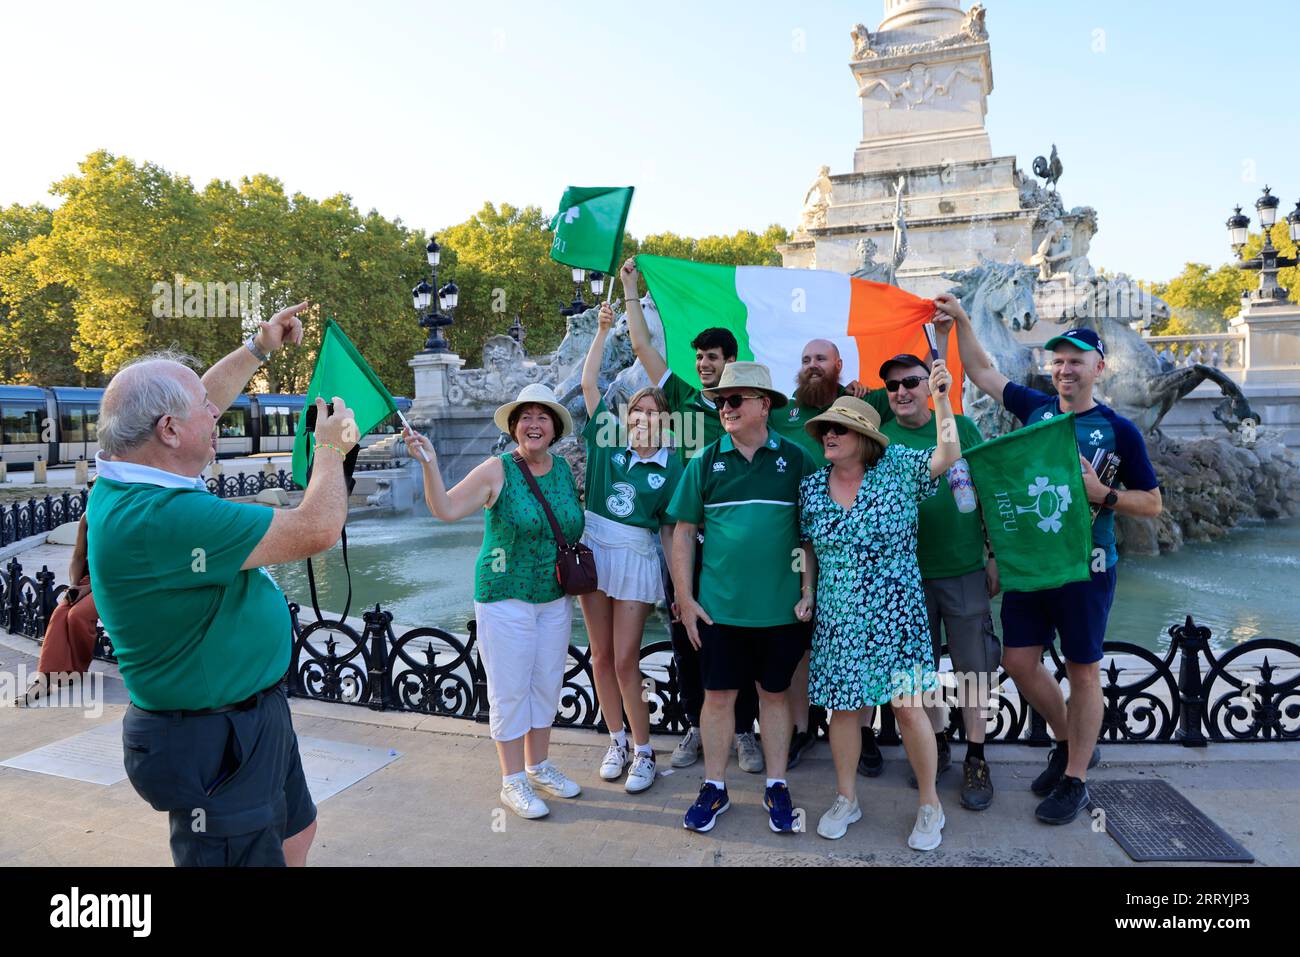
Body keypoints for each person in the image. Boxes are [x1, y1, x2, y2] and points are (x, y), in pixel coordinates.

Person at [87, 301, 334, 867]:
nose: (216, 413)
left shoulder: (139, 464)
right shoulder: (163, 516)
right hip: (211, 737)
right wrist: (330, 449)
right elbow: (317, 528)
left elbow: (199, 401)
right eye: (206, 412)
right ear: (169, 430)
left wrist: (259, 347)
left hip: (247, 713)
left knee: (296, 831)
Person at [941, 296, 1162, 824]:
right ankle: (1069, 743)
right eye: (1058, 360)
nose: (1065, 368)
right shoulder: (1036, 409)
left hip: (1086, 568)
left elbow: (1152, 504)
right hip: (1029, 566)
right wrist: (966, 320)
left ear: (1097, 368)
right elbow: (980, 371)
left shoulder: (1118, 430)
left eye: (1076, 360)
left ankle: (1076, 779)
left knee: (1083, 671)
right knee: (1017, 661)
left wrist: (1101, 493)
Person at [403, 382, 585, 821]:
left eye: (543, 416)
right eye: (526, 416)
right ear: (515, 426)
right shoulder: (496, 470)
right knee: (510, 690)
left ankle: (538, 766)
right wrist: (429, 464)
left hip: (553, 598)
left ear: (555, 428)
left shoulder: (563, 471)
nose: (534, 423)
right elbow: (445, 509)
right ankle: (512, 781)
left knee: (546, 684)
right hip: (505, 598)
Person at [799, 380, 961, 850]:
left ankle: (930, 805)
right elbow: (809, 546)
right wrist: (807, 590)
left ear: (865, 438)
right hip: (841, 619)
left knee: (909, 710)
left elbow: (948, 456)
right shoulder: (812, 487)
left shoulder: (899, 467)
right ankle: (847, 798)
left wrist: (944, 399)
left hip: (898, 615)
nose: (829, 435)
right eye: (826, 429)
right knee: (844, 711)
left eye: (840, 430)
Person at [619, 257, 763, 775]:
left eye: (712, 357)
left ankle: (743, 731)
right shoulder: (679, 395)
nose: (702, 364)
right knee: (685, 634)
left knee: (735, 634)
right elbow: (641, 347)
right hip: (682, 537)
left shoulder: (745, 405)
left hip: (731, 543)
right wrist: (631, 290)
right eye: (699, 356)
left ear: (731, 360)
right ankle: (695, 728)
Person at [666, 361, 818, 834]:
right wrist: (685, 599)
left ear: (764, 405)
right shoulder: (704, 462)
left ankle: (775, 784)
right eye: (721, 402)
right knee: (717, 698)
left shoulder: (796, 459)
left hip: (780, 611)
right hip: (719, 612)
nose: (725, 408)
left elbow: (813, 534)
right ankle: (714, 787)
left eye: (735, 400)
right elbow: (683, 533)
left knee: (774, 695)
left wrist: (809, 588)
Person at [878, 353, 999, 810]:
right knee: (920, 672)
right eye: (893, 386)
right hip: (905, 576)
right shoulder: (878, 439)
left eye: (911, 381)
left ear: (929, 385)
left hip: (964, 567)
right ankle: (937, 743)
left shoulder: (961, 428)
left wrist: (994, 555)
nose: (902, 391)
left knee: (975, 669)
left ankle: (977, 756)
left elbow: (988, 492)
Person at [766, 339, 894, 770]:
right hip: (791, 544)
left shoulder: (857, 403)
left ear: (839, 365)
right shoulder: (782, 411)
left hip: (848, 545)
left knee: (859, 641)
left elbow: (904, 400)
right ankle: (803, 729)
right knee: (803, 644)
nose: (812, 366)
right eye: (805, 360)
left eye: (821, 359)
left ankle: (862, 731)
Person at [577, 302, 683, 793]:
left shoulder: (673, 467)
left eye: (652, 412)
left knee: (625, 658)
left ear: (665, 421)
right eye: (636, 411)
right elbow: (589, 385)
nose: (642, 418)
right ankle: (615, 740)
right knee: (598, 656)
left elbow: (670, 532)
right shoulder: (607, 443)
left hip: (636, 557)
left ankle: (645, 750)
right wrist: (601, 331)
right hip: (594, 548)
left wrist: (679, 588)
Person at [20, 511, 99, 706]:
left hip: (115, 582)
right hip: (87, 581)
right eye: (91, 484)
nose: (93, 489)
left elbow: (123, 564)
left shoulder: (121, 514)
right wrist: (74, 586)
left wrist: (89, 588)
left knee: (77, 616)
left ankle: (76, 670)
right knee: (60, 614)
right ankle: (44, 680)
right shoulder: (88, 516)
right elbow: (78, 556)